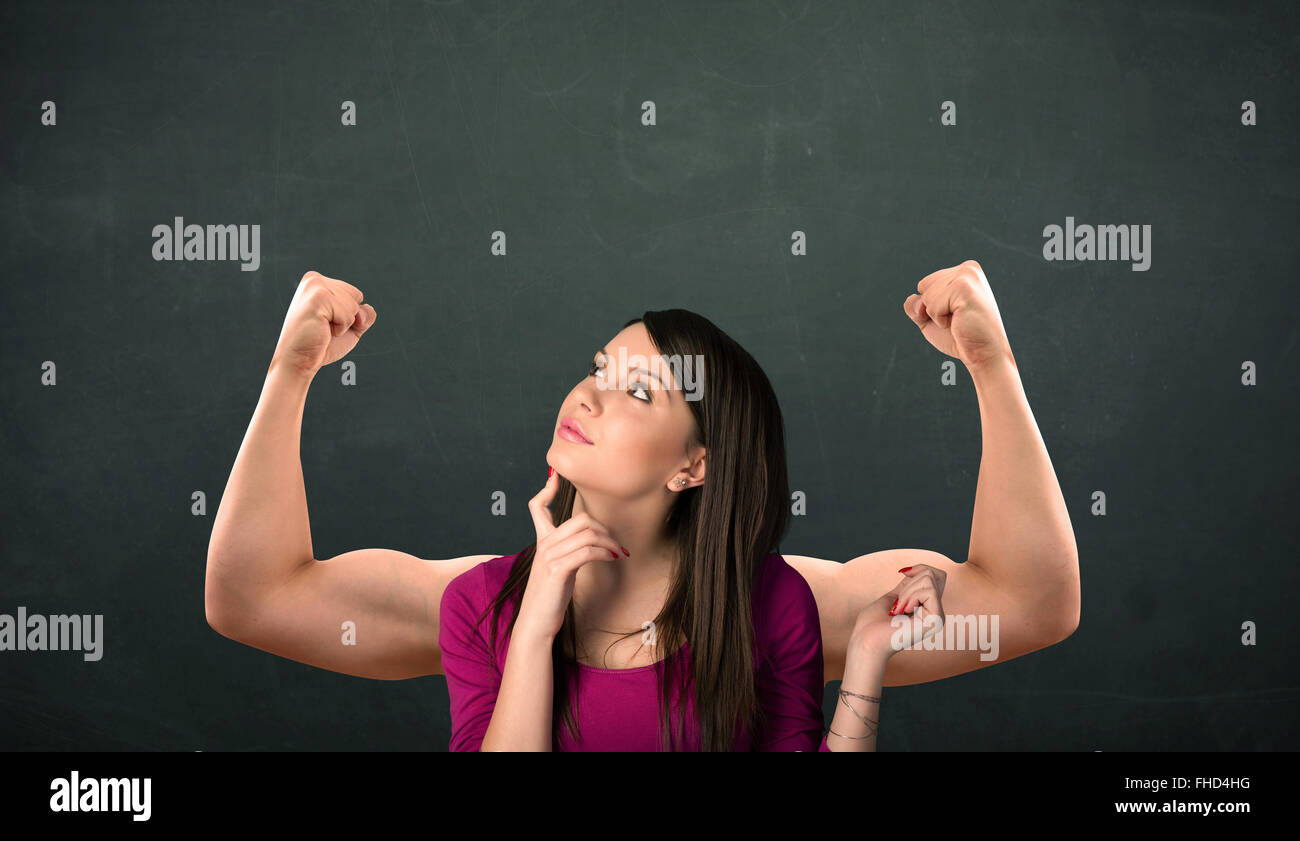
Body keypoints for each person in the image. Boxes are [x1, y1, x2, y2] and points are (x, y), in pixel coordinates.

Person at [205, 262, 1080, 751]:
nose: (588, 395)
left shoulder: (774, 607)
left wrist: (991, 368)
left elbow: (1030, 602)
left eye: (636, 392)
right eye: (597, 369)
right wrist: (290, 376)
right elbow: (253, 595)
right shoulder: (481, 607)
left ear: (695, 464)